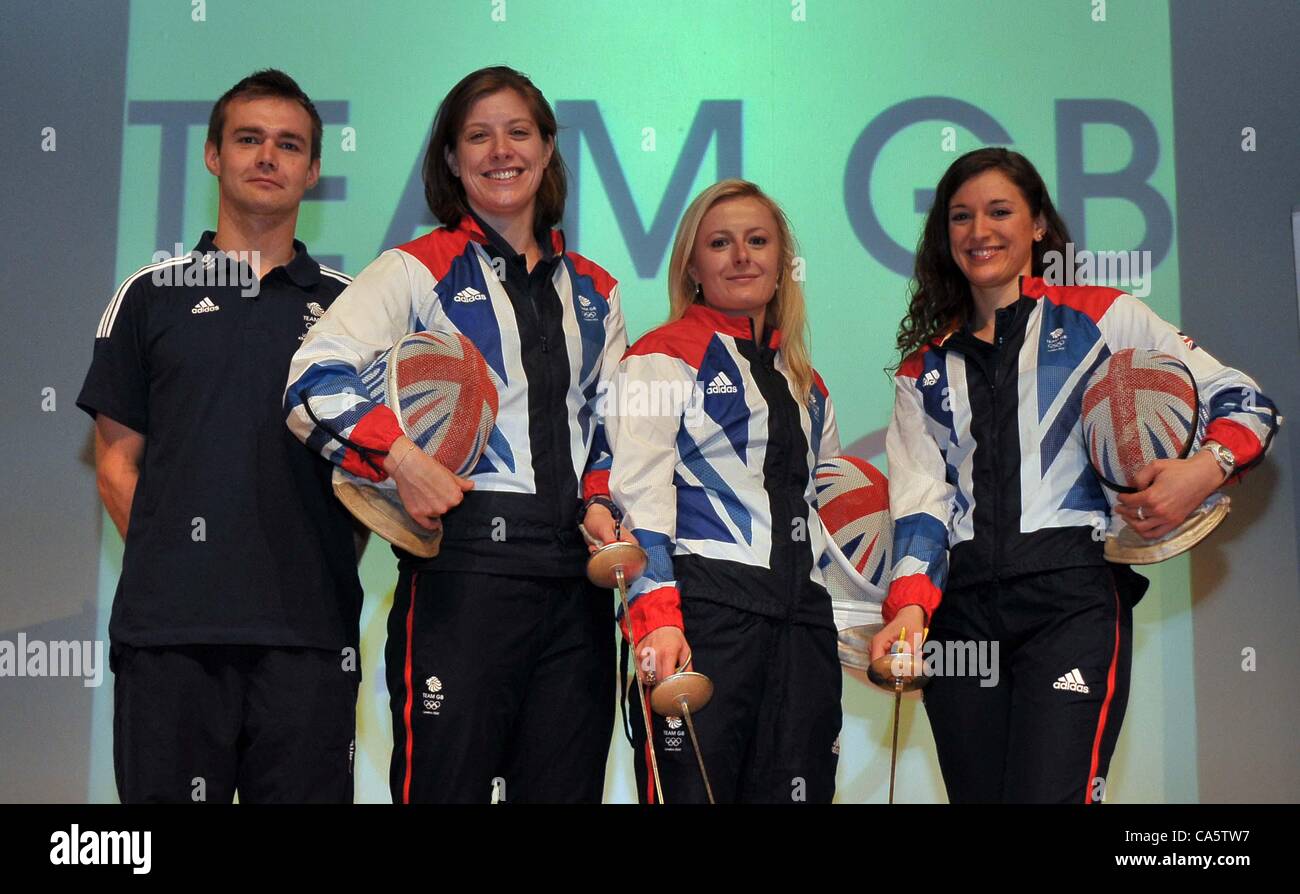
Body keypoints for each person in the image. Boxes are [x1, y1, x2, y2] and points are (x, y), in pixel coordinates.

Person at [874, 147, 1280, 803]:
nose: (980, 231)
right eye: (961, 216)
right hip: (961, 623)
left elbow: (1247, 402)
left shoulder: (1106, 316)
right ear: (944, 236)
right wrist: (911, 607)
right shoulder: (922, 370)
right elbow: (922, 505)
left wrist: (1202, 472)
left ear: (1037, 224)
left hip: (1072, 602)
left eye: (1000, 211)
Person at [284, 66, 629, 804]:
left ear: (547, 149)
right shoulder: (414, 268)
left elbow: (611, 429)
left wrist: (601, 502)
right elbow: (311, 383)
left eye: (518, 132)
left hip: (577, 594)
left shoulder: (598, 291)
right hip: (462, 580)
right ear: (451, 158)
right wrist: (401, 460)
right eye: (477, 136)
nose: (500, 151)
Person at [76, 70, 363, 803]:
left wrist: (314, 560)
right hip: (170, 637)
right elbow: (115, 465)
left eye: (289, 145)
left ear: (312, 170)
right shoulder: (148, 296)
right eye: (248, 139)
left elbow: (369, 477)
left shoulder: (354, 310)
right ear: (212, 155)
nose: (268, 156)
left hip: (310, 638)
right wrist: (184, 570)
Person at [607, 179, 843, 804]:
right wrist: (656, 621)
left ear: (782, 261)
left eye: (757, 241)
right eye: (719, 243)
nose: (741, 256)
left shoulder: (809, 384)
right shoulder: (660, 357)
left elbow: (828, 520)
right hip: (704, 620)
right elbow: (638, 498)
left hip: (803, 632)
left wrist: (858, 626)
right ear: (692, 266)